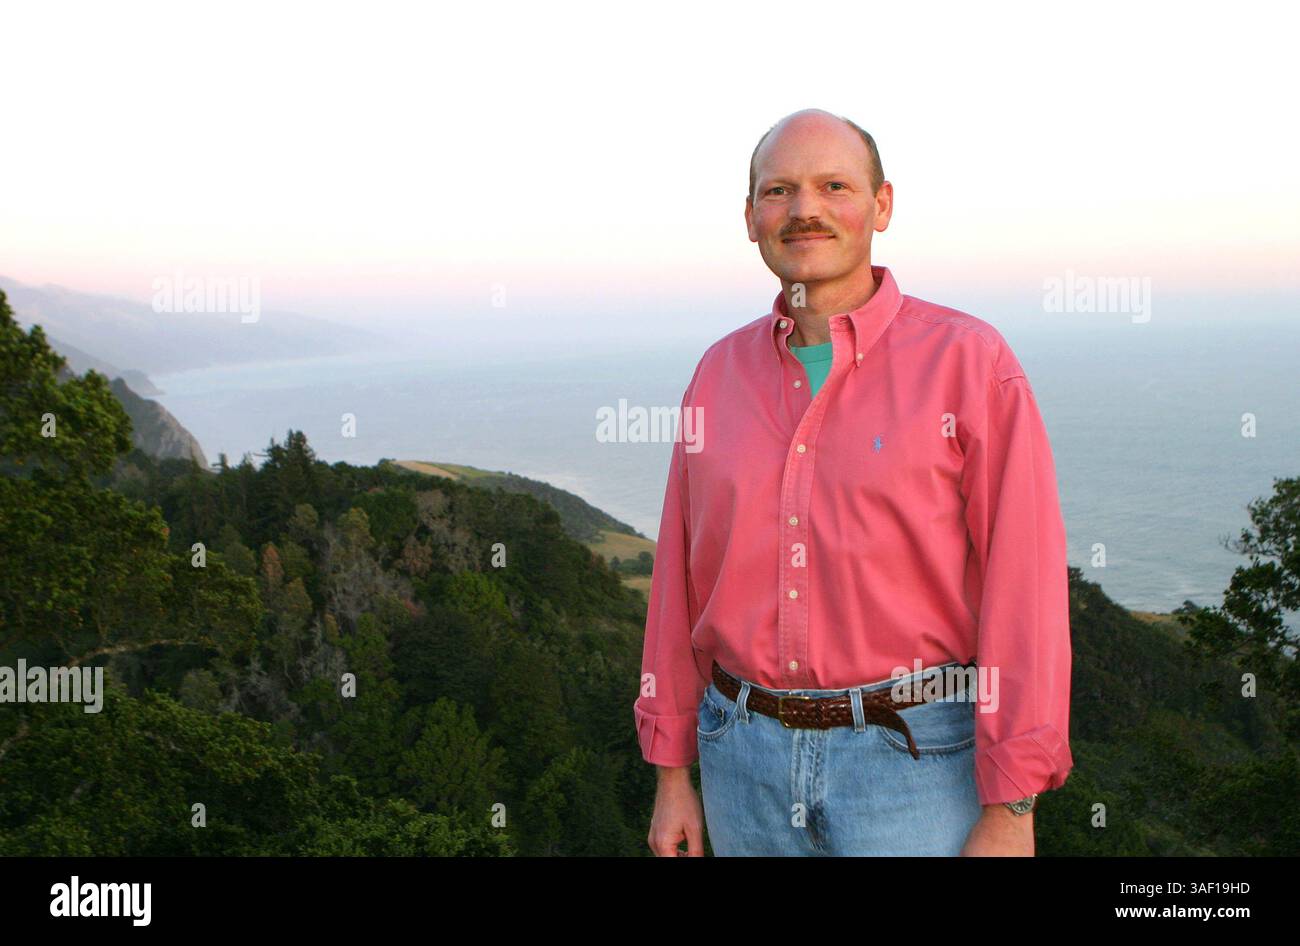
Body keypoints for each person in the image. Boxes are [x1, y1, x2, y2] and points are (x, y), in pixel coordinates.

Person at [634, 108, 1073, 856]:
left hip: (918, 763)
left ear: (882, 205)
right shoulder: (716, 374)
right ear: (750, 218)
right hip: (742, 761)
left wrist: (1013, 805)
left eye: (833, 185)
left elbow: (1022, 585)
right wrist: (672, 772)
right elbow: (678, 581)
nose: (804, 209)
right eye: (779, 191)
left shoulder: (969, 361)